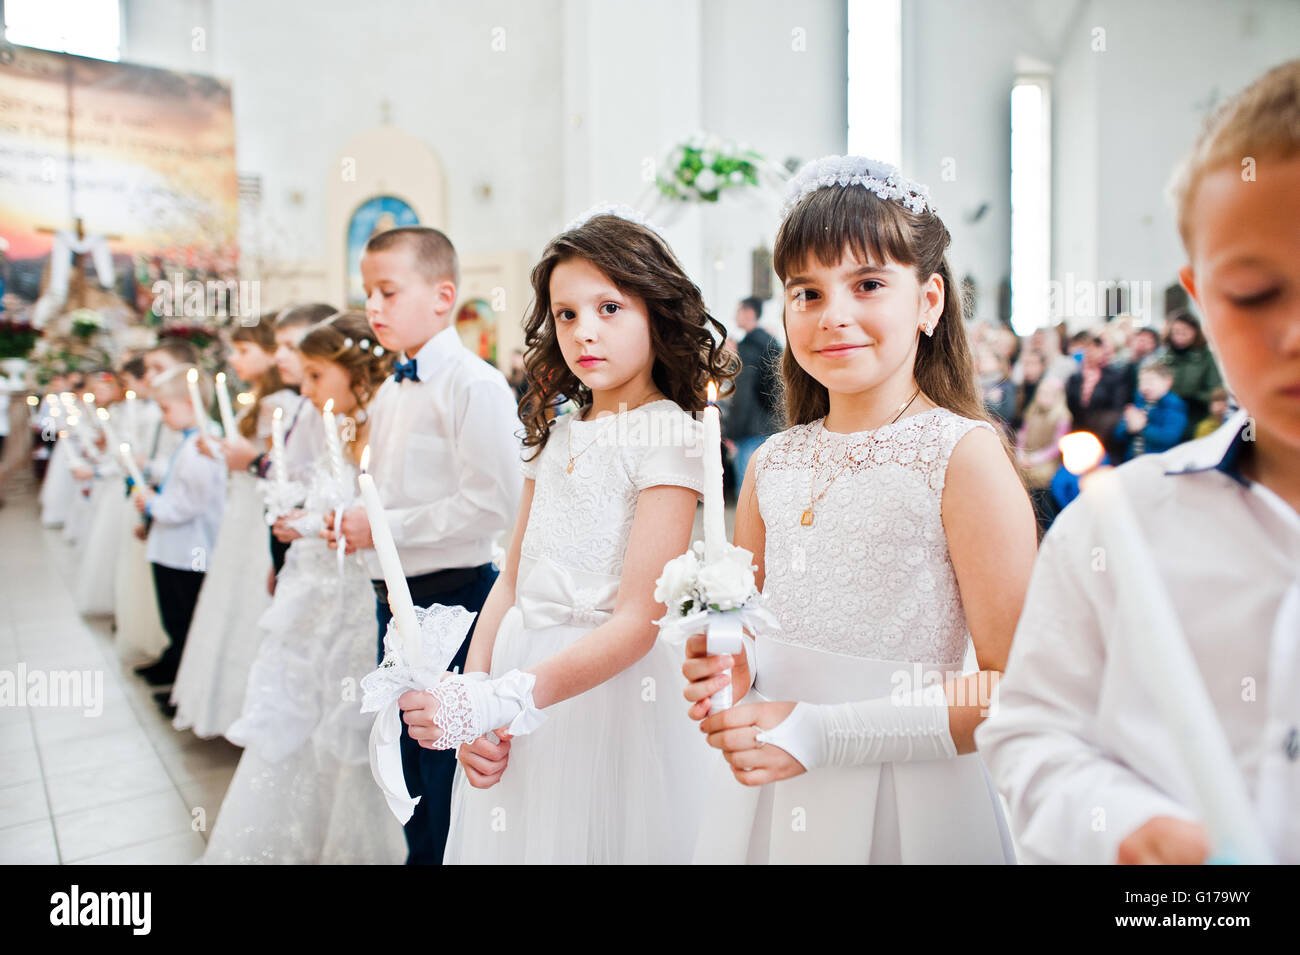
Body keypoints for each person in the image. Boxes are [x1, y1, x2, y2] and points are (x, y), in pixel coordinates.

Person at [977, 59, 1300, 865]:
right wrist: (1123, 826)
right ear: (1197, 296)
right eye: (1256, 294)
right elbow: (1032, 731)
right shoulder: (1118, 524)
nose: (1294, 334)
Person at [681, 156, 1037, 863]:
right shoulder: (772, 463)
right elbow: (751, 633)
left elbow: (1015, 685)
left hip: (906, 790)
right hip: (775, 789)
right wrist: (726, 663)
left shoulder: (961, 454)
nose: (833, 315)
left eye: (868, 284)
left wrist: (822, 733)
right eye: (806, 292)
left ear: (930, 301)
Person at [396, 209, 737, 864]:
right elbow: (512, 579)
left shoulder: (670, 431)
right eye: (567, 313)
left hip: (608, 688)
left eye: (609, 307)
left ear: (656, 311)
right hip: (516, 667)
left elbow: (640, 618)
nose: (585, 332)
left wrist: (508, 695)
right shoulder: (556, 429)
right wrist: (473, 693)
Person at [322, 226, 521, 865]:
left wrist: (386, 528)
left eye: (387, 291)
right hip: (396, 601)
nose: (373, 308)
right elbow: (388, 493)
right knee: (409, 757)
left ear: (443, 296)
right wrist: (358, 520)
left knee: (446, 763)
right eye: (367, 294)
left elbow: (495, 505)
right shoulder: (389, 389)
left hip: (459, 598)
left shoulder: (475, 385)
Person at [203, 312, 405, 864]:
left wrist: (314, 525)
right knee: (300, 713)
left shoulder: (383, 430)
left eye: (317, 375)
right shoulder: (332, 425)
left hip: (357, 603)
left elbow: (382, 517)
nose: (306, 388)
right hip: (313, 592)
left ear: (355, 373)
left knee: (349, 725)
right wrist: (299, 522)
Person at [170, 314, 297, 728]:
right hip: (242, 513)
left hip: (258, 516)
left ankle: (247, 714)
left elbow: (288, 471)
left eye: (245, 350)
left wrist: (245, 461)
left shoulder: (280, 404)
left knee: (249, 603)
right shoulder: (258, 398)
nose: (235, 358)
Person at [130, 365, 227, 688]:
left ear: (189, 403)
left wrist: (155, 505)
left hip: (189, 550)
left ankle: (186, 684)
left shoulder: (205, 444)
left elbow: (192, 503)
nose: (162, 416)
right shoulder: (189, 441)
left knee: (185, 617)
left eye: (165, 408)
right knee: (173, 616)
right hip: (171, 546)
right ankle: (172, 666)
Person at [723, 296, 783, 490]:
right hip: (770, 424)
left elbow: (743, 394)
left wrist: (732, 431)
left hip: (750, 428)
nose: (735, 316)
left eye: (738, 311)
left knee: (748, 492)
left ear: (749, 313)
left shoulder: (749, 347)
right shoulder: (771, 342)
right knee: (766, 487)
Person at [1064, 330, 1132, 461]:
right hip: (1079, 434)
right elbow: (1072, 406)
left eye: (1095, 348)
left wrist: (1095, 436)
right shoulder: (1075, 378)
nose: (1090, 352)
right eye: (1087, 349)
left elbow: (1116, 409)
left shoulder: (1116, 376)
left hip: (1106, 438)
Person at [1016, 375, 1071, 532]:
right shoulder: (1031, 412)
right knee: (1019, 474)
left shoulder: (1062, 417)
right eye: (1041, 393)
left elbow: (1056, 446)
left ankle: (1045, 524)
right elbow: (1022, 436)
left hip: (1046, 461)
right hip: (1027, 456)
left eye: (1048, 394)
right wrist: (1021, 455)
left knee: (1040, 480)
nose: (1042, 397)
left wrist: (1034, 459)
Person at [1164, 309, 1224, 438]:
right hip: (1168, 409)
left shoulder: (1206, 357)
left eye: (1184, 332)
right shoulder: (1166, 356)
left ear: (1195, 332)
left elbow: (1215, 389)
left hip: (1196, 411)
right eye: (1176, 332)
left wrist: (1195, 396)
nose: (1179, 336)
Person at [1114, 361, 1188, 461]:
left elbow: (1170, 437)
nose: (1145, 387)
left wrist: (1142, 427)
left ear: (1168, 382)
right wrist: (1128, 429)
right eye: (1141, 381)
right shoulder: (1138, 404)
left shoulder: (1175, 406)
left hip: (1157, 463)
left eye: (1150, 381)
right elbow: (1118, 434)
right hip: (1132, 460)